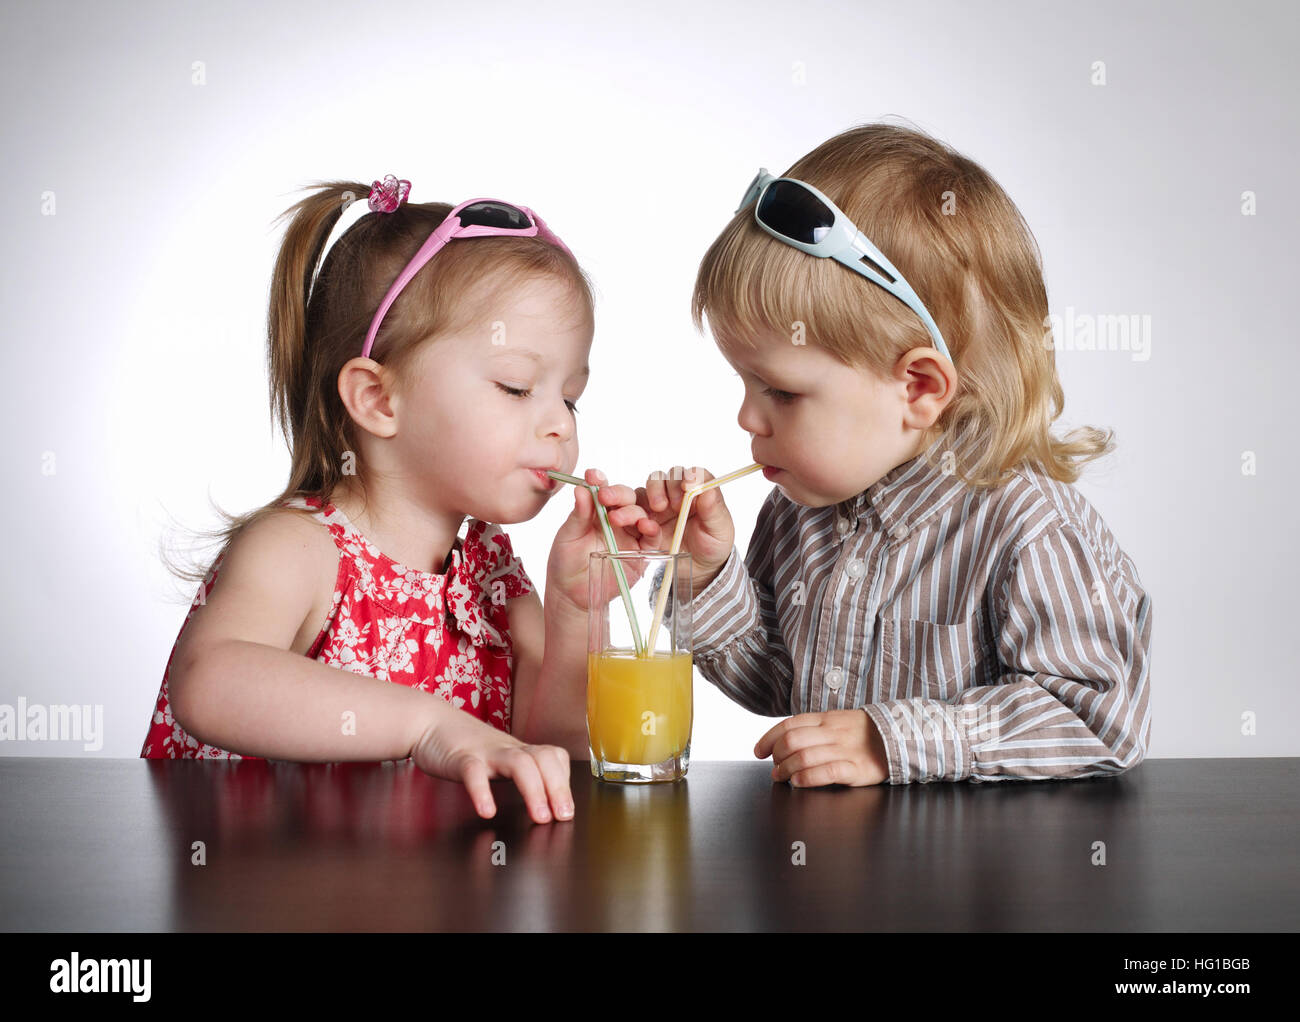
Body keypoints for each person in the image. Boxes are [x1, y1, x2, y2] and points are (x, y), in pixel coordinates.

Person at [637, 124, 1153, 787]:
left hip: (976, 880)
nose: (746, 417)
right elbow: (776, 685)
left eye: (782, 393)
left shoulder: (1029, 528)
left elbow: (1097, 718)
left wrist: (889, 741)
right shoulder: (797, 513)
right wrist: (705, 576)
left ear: (918, 388)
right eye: (744, 383)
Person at [142, 175, 656, 823]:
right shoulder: (299, 548)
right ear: (379, 399)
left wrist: (577, 611)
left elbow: (555, 758)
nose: (561, 425)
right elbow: (209, 684)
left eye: (571, 396)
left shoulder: (492, 571)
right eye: (518, 386)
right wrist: (429, 728)